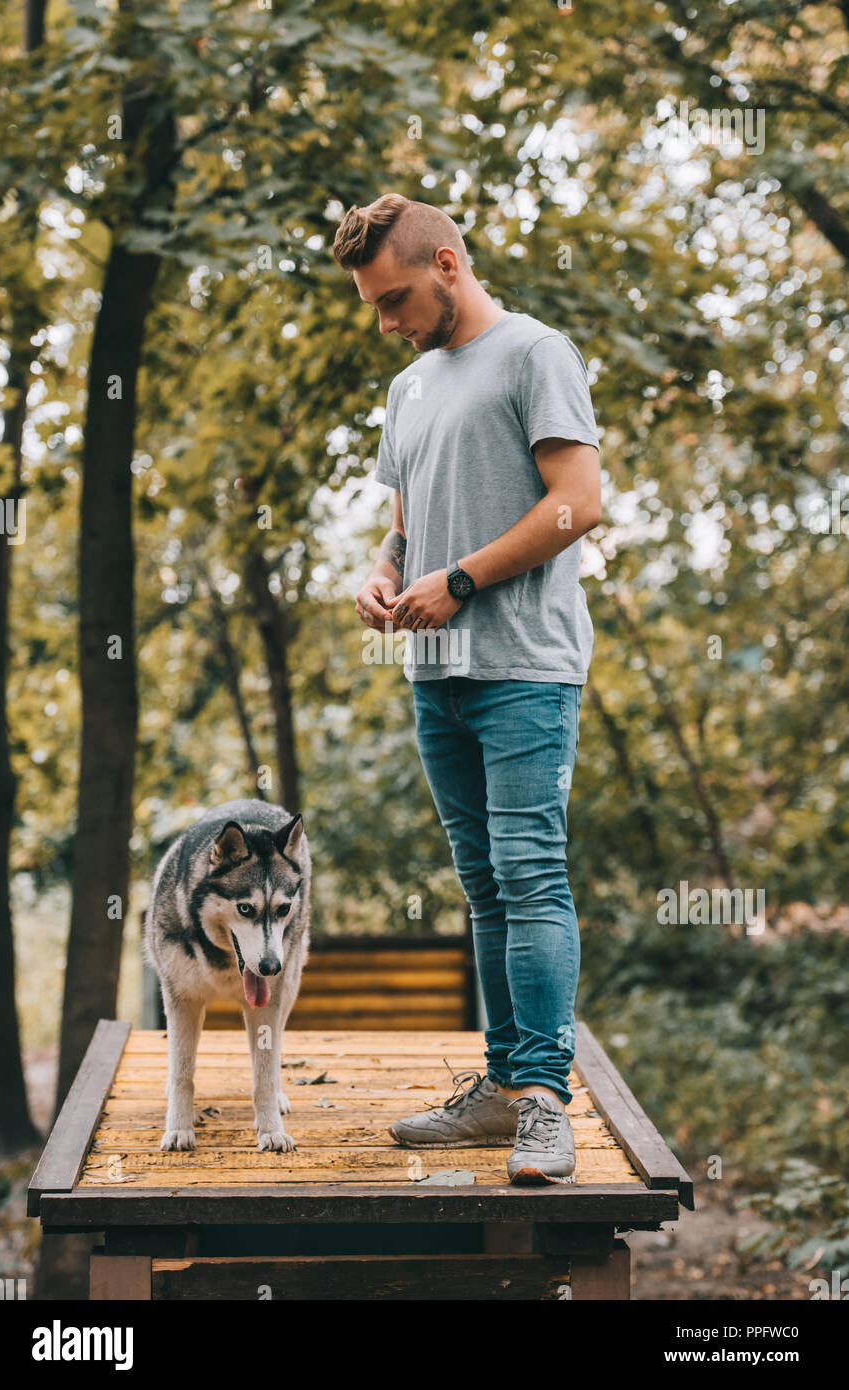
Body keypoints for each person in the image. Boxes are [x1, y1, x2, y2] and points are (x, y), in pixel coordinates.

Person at [332, 193, 602, 1184]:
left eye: (395, 298)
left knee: (531, 874)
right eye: (373, 305)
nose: (386, 321)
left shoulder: (536, 354)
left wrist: (463, 580)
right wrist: (387, 571)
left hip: (525, 664)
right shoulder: (408, 390)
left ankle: (544, 1105)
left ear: (447, 263)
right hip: (434, 673)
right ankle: (498, 1088)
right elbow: (407, 523)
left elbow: (578, 504)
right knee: (484, 885)